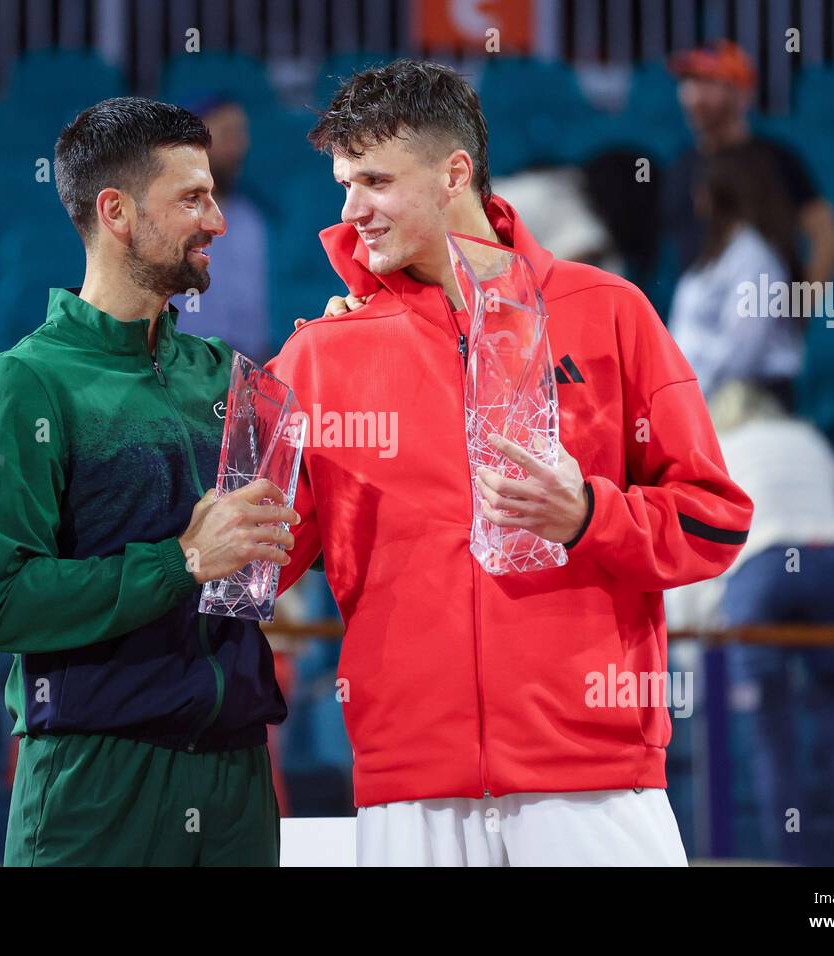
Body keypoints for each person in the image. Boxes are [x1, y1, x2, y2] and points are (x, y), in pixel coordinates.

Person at [268, 59, 754, 866]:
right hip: (407, 786)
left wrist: (590, 517)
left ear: (454, 172)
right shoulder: (320, 356)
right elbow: (257, 562)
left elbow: (714, 518)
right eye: (344, 185)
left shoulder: (609, 313)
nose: (352, 211)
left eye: (375, 182)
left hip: (595, 781)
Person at [0, 97, 295, 866]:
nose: (218, 221)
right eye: (192, 199)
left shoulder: (232, 381)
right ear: (116, 212)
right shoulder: (23, 385)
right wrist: (180, 562)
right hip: (96, 786)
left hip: (238, 781)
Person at [706, 380, 834, 866]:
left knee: (770, 737)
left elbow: (708, 539)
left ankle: (787, 860)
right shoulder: (808, 438)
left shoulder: (718, 446)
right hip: (832, 566)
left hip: (759, 571)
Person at [661, 40, 834, 287]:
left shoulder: (776, 160)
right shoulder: (682, 165)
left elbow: (826, 238)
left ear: (742, 93)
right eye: (687, 82)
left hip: (760, 311)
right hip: (697, 317)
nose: (694, 95)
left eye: (708, 82)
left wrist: (801, 303)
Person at [665, 141, 804, 405]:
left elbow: (742, 351)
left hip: (747, 403)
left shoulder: (755, 259)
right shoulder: (714, 257)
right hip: (704, 399)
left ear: (715, 194)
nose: (695, 196)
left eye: (702, 187)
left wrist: (693, 397)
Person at [172, 94, 272, 362]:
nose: (238, 145)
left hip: (242, 368)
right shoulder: (168, 217)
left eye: (240, 134)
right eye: (226, 133)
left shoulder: (252, 218)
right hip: (179, 366)